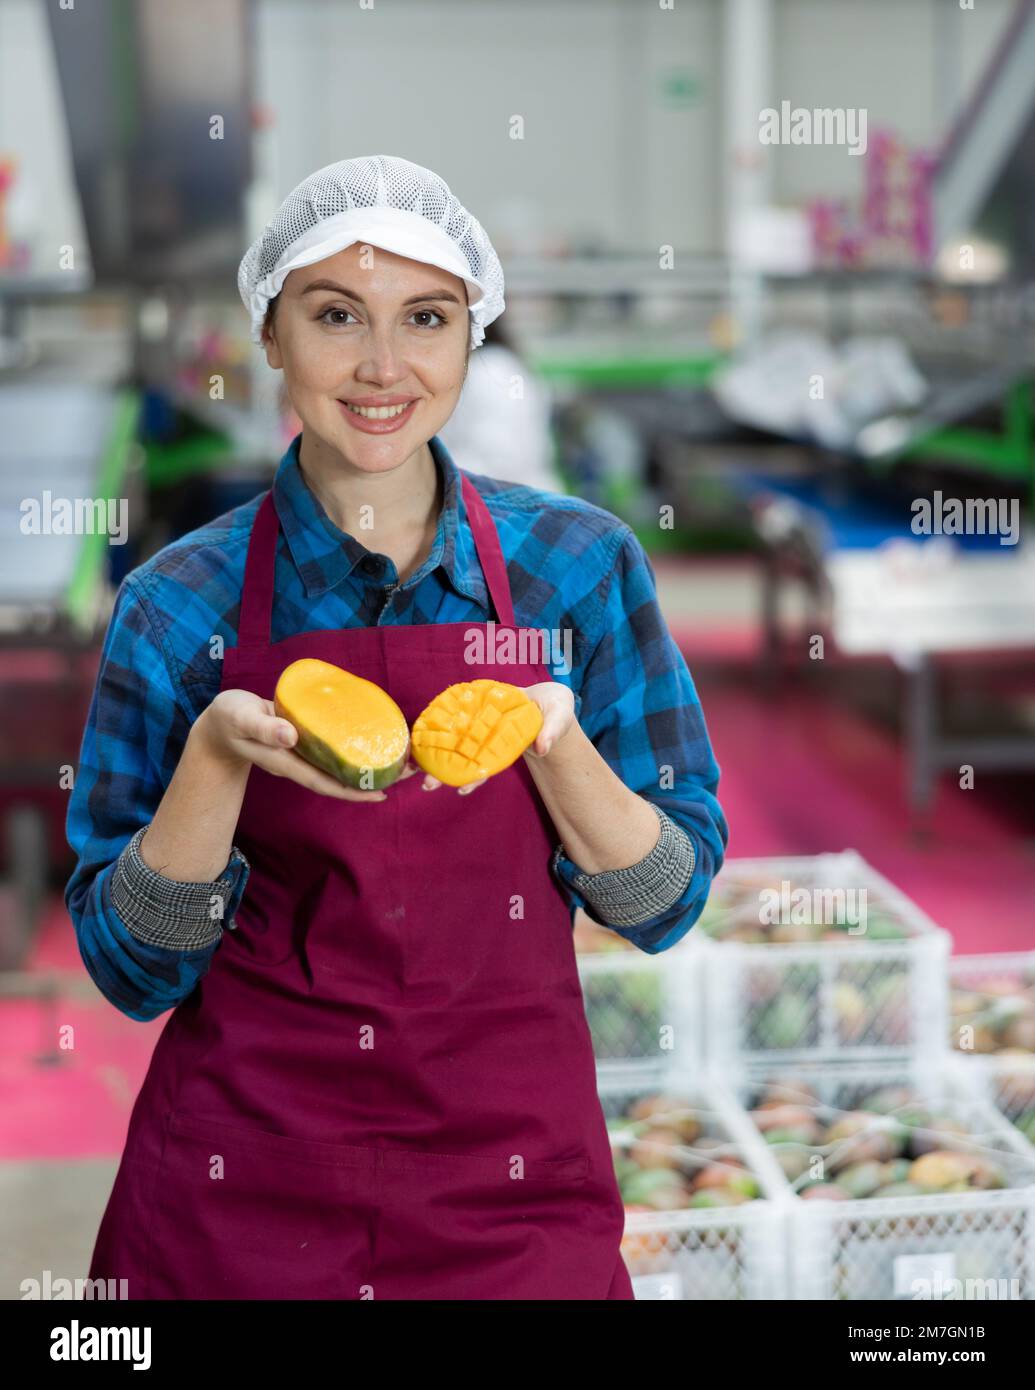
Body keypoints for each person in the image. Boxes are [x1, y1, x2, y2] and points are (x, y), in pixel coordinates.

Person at [66, 155, 727, 1301]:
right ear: (270, 335)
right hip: (243, 1191)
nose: (383, 367)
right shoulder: (177, 606)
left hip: (510, 1184)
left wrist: (558, 743)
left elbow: (664, 904)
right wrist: (216, 763)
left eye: (426, 318)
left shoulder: (576, 569)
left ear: (475, 337)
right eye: (335, 316)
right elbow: (131, 972)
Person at [436, 314, 565, 492]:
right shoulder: (495, 364)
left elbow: (504, 457)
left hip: (511, 501)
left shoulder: (493, 369)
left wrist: (428, 469)